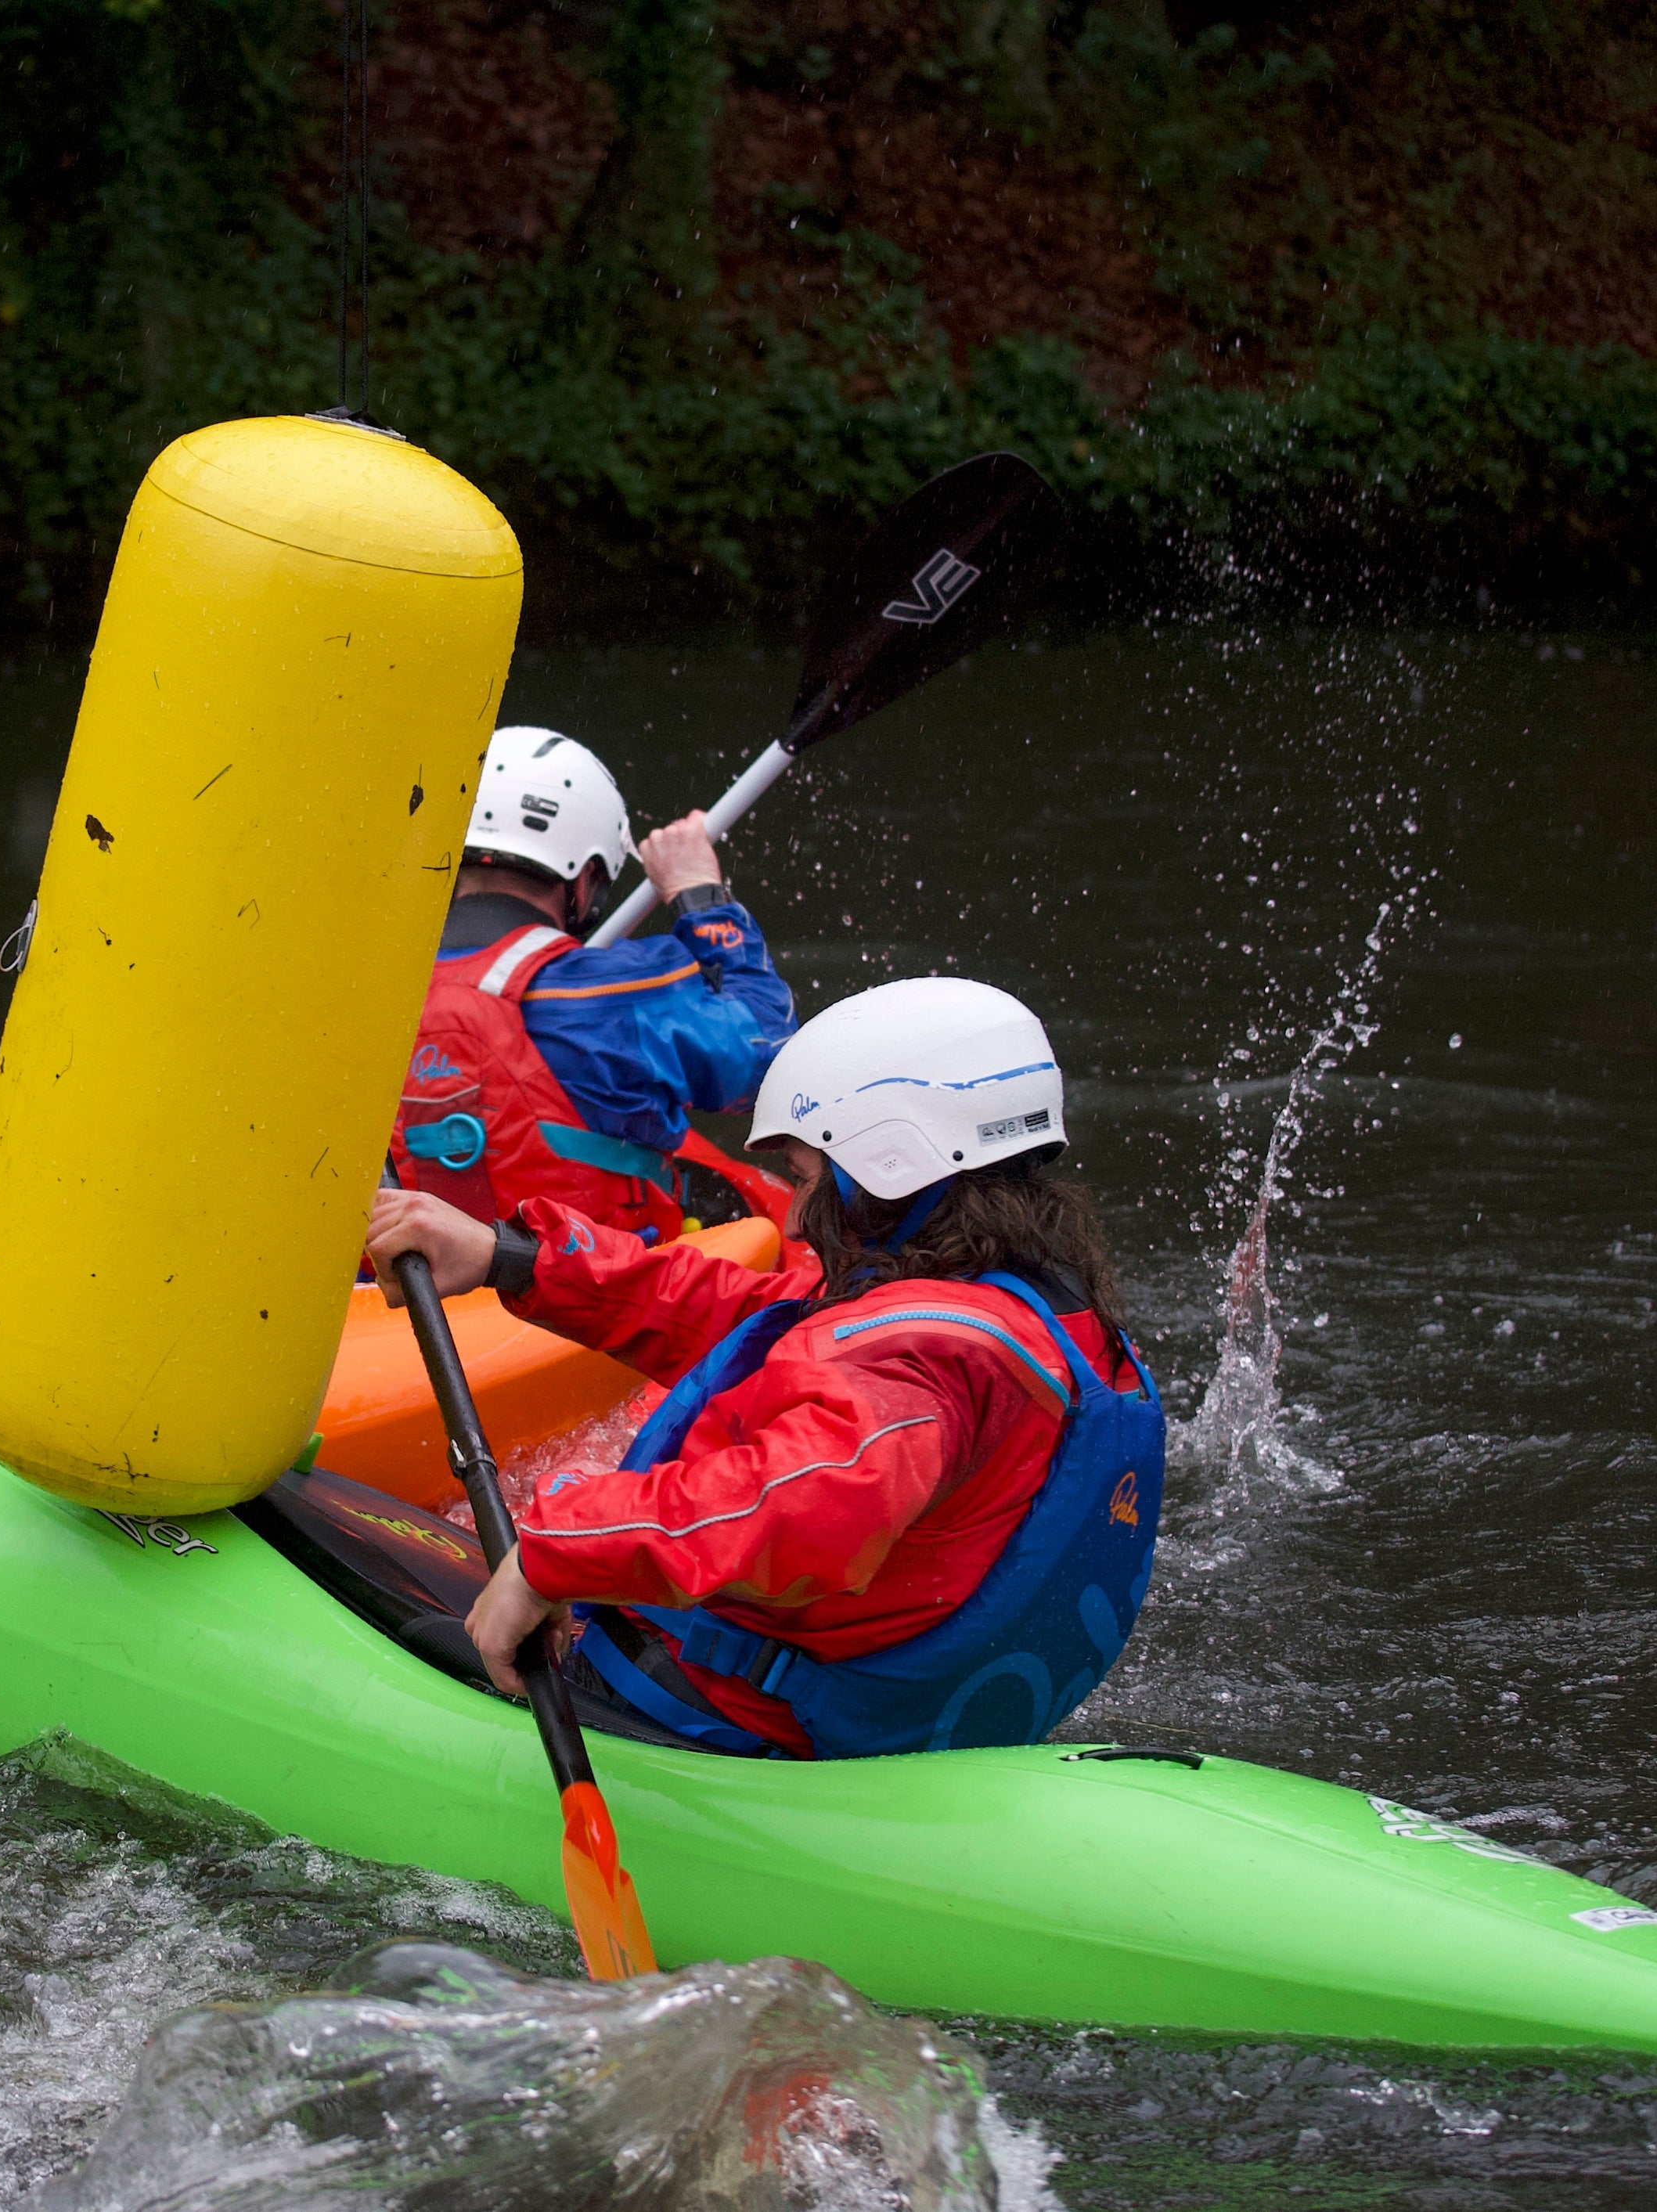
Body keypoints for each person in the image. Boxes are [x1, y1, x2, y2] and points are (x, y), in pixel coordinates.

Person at [365, 976, 1164, 1759]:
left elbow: (802, 1507)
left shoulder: (924, 1363)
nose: (788, 1212)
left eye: (806, 1178)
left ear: (889, 1166)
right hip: (846, 1704)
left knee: (348, 1576)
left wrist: (559, 1549)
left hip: (709, 1718)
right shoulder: (1022, 1308)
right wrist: (514, 1257)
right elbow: (749, 1320)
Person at [391, 726, 795, 1242]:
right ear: (586, 882)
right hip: (586, 1295)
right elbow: (769, 1061)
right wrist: (701, 895)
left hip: (395, 1298)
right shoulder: (612, 992)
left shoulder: (372, 991)